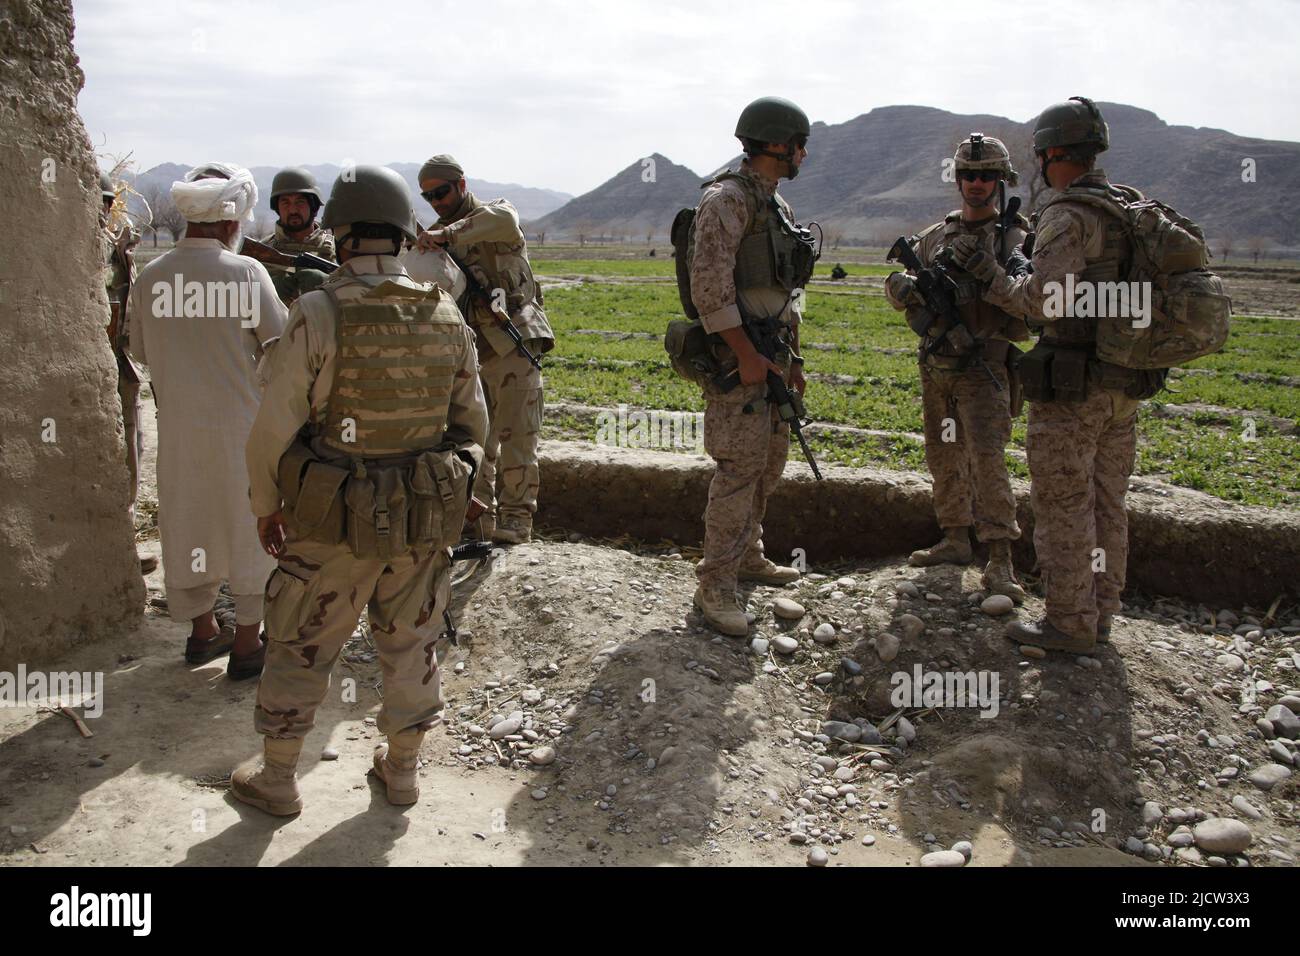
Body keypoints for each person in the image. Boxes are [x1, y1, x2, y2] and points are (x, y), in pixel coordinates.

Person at [234, 164, 488, 814]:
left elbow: (270, 433)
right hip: (418, 525)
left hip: (328, 524)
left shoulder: (316, 312)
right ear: (404, 233)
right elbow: (474, 428)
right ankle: (401, 773)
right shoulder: (444, 314)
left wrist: (267, 507)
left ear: (340, 234)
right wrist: (454, 495)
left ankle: (279, 781)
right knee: (410, 647)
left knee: (300, 644)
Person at [948, 97, 1168, 653]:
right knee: (1107, 501)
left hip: (1073, 388)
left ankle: (1069, 621)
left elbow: (1044, 301)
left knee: (1065, 504)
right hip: (1123, 381)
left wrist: (997, 280)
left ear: (1049, 154)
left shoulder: (1067, 215)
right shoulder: (1128, 208)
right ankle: (1102, 609)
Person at [125, 162, 286, 676]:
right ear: (232, 219)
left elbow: (140, 349)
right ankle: (246, 642)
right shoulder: (246, 273)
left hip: (178, 432)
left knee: (188, 520)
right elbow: (280, 346)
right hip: (241, 430)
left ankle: (201, 633)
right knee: (246, 525)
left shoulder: (151, 277)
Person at [883, 134, 1031, 603]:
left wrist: (993, 273)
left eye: (987, 175)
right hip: (938, 367)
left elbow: (1032, 308)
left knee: (987, 460)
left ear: (1002, 181)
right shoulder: (936, 237)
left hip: (984, 368)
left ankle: (1001, 559)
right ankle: (954, 538)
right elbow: (894, 286)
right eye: (968, 175)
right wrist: (901, 288)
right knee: (944, 454)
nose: (976, 183)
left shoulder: (1015, 240)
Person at [687, 96, 815, 636]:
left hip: (774, 354)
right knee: (739, 470)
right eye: (800, 146)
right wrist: (746, 355)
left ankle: (749, 555)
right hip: (741, 359)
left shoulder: (776, 206)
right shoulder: (727, 200)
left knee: (768, 464)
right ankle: (715, 585)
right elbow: (709, 288)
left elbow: (787, 292)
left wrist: (792, 359)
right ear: (779, 145)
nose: (804, 155)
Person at [415, 155, 553, 544]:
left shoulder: (496, 214)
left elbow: (504, 223)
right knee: (475, 442)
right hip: (470, 353)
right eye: (428, 198)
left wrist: (448, 235)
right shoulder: (434, 236)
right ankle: (477, 520)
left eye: (441, 193)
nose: (436, 202)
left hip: (513, 341)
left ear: (461, 184)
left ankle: (516, 521)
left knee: (519, 437)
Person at [99, 171, 155, 575]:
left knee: (130, 457)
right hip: (93, 369)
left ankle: (123, 546)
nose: (101, 213)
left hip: (122, 369)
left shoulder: (117, 248)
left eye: (106, 204)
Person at [262, 167, 336, 305]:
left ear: (313, 205)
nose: (293, 210)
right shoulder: (261, 252)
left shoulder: (337, 250)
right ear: (277, 207)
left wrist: (327, 285)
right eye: (285, 202)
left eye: (300, 202)